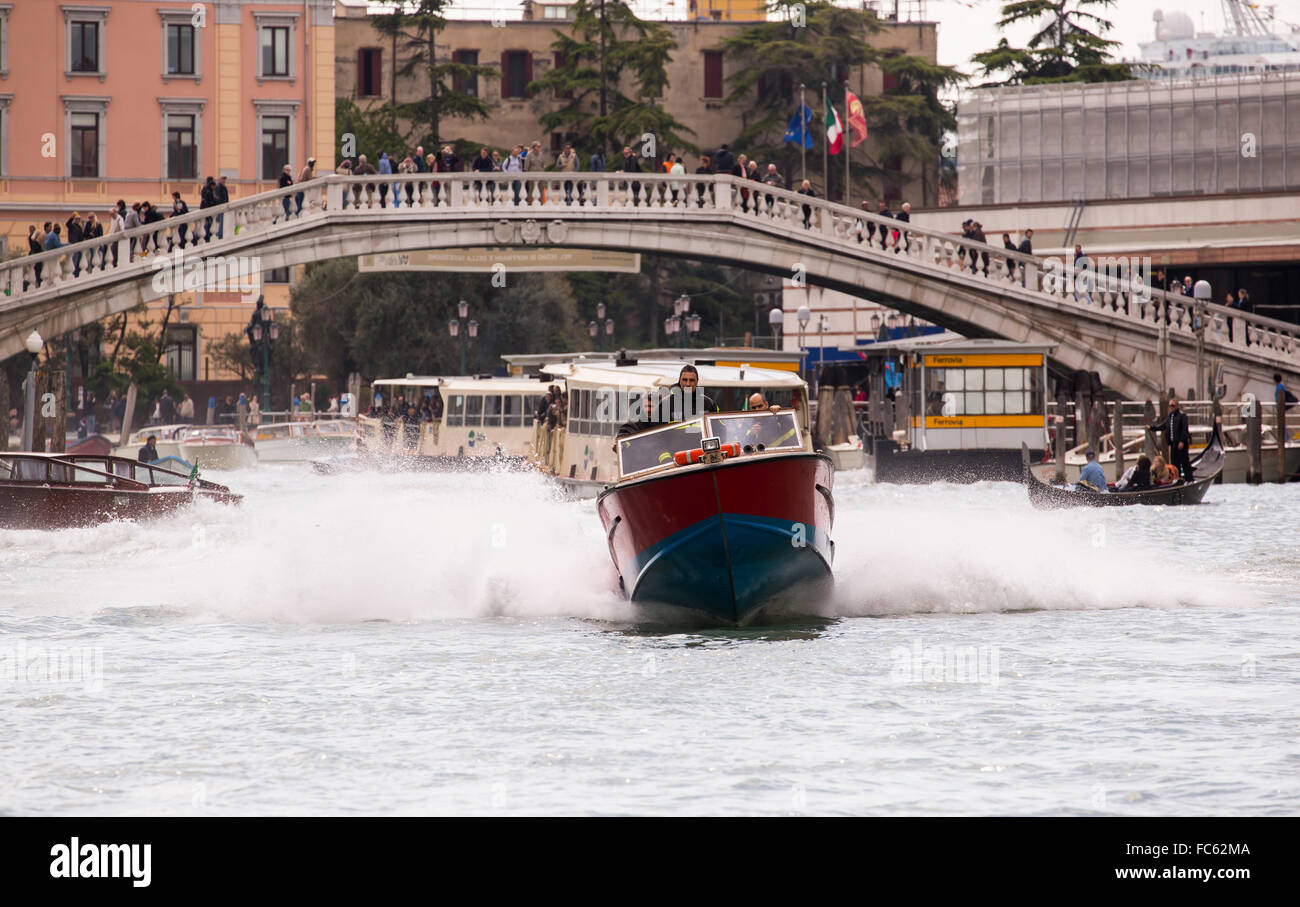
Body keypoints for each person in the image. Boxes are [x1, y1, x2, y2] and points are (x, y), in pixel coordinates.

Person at [617, 364, 717, 436]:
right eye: (684, 380)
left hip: (702, 453)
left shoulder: (709, 404)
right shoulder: (665, 405)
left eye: (692, 380)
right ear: (679, 381)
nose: (688, 384)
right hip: (675, 457)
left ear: (697, 382)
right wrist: (623, 436)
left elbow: (719, 428)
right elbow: (649, 430)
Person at [1148, 397, 1193, 482]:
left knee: (1185, 463)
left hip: (1181, 444)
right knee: (1175, 464)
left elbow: (1185, 430)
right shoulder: (1169, 418)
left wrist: (1182, 441)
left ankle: (1190, 480)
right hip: (1172, 444)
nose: (1171, 407)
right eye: (1170, 406)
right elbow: (1162, 426)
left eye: (1173, 405)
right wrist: (1151, 428)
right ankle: (1177, 480)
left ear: (1177, 406)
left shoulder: (1182, 416)